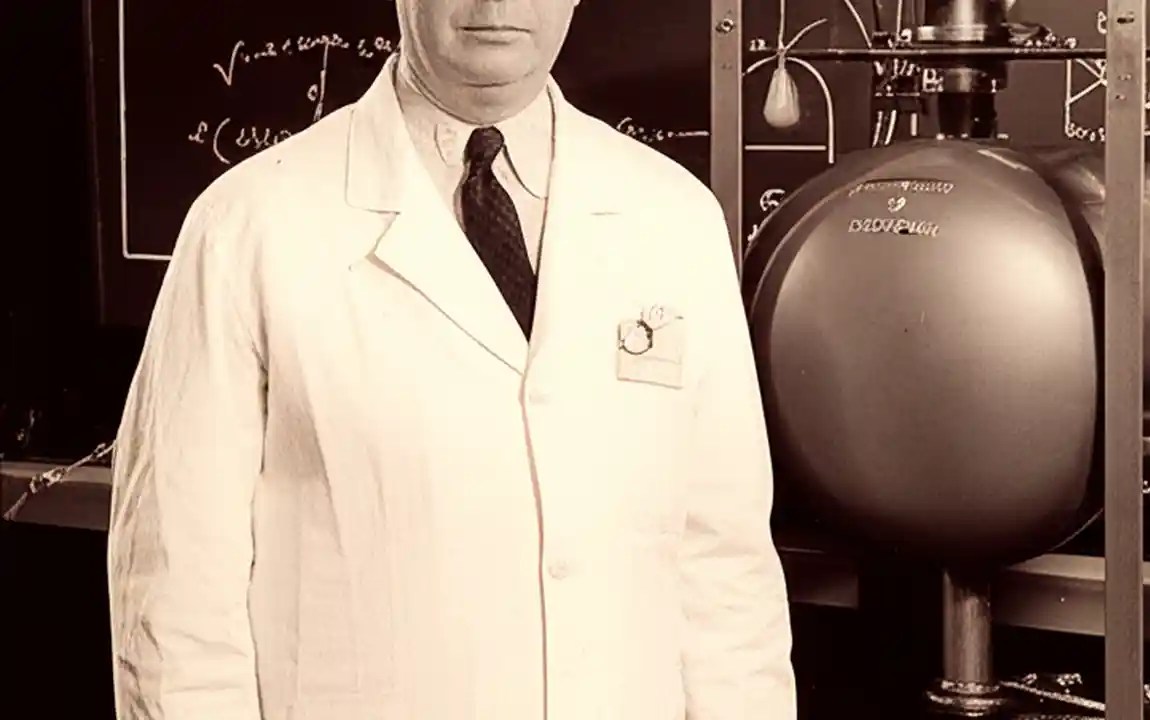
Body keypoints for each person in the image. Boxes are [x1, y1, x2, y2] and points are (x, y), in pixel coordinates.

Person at [106, 0, 796, 718]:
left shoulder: (674, 216)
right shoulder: (249, 224)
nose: (498, 5)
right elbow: (175, 593)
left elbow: (725, 574)